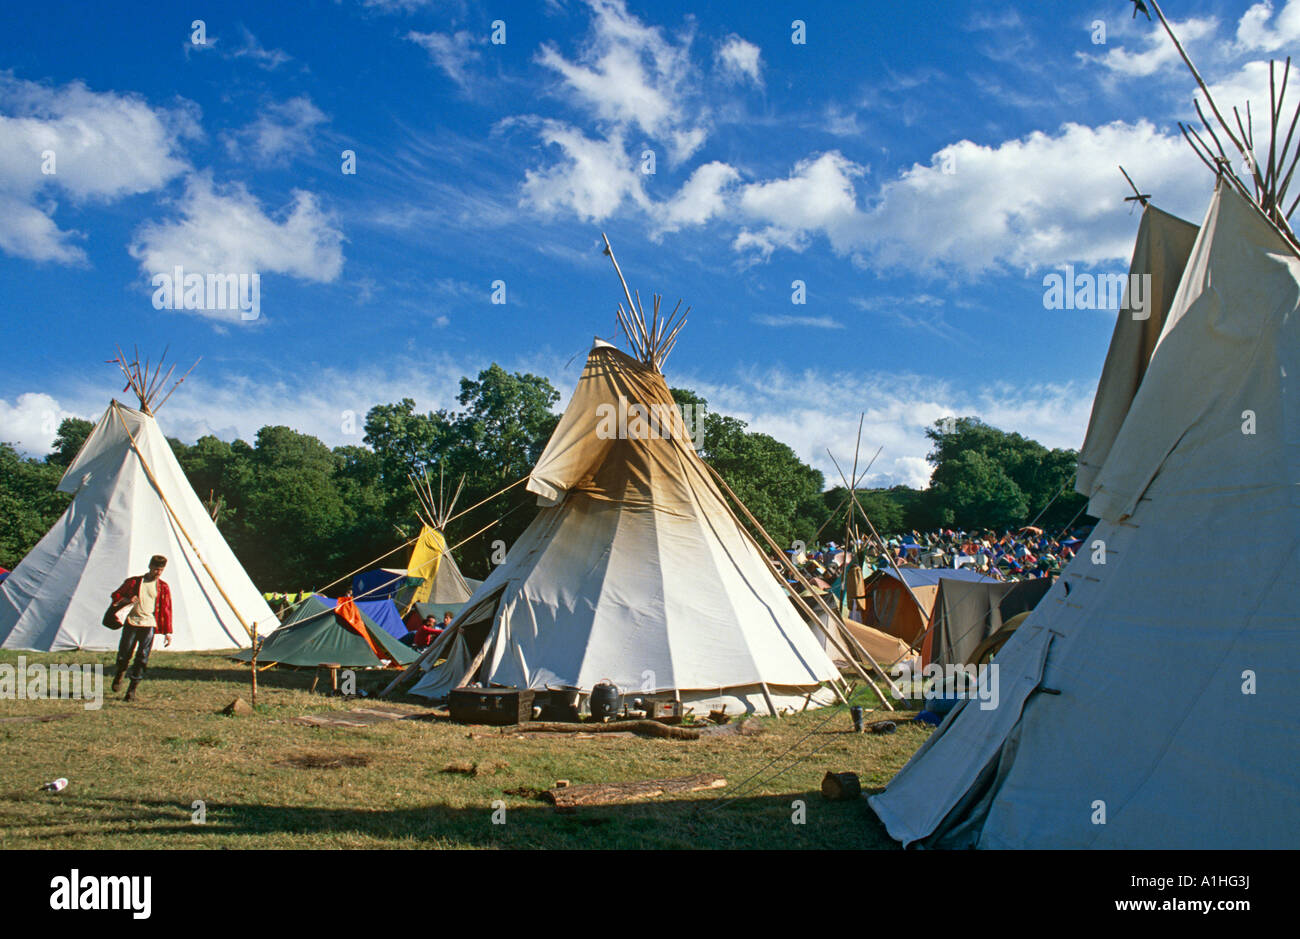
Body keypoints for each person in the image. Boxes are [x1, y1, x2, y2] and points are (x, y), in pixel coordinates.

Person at [110, 555, 172, 701]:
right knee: (125, 653)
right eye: (156, 569)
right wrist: (126, 600)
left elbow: (166, 609)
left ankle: (132, 690)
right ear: (150, 566)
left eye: (161, 570)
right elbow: (115, 595)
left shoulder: (163, 587)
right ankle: (121, 672)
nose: (158, 572)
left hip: (148, 624)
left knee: (142, 657)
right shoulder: (134, 582)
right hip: (132, 622)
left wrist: (168, 632)